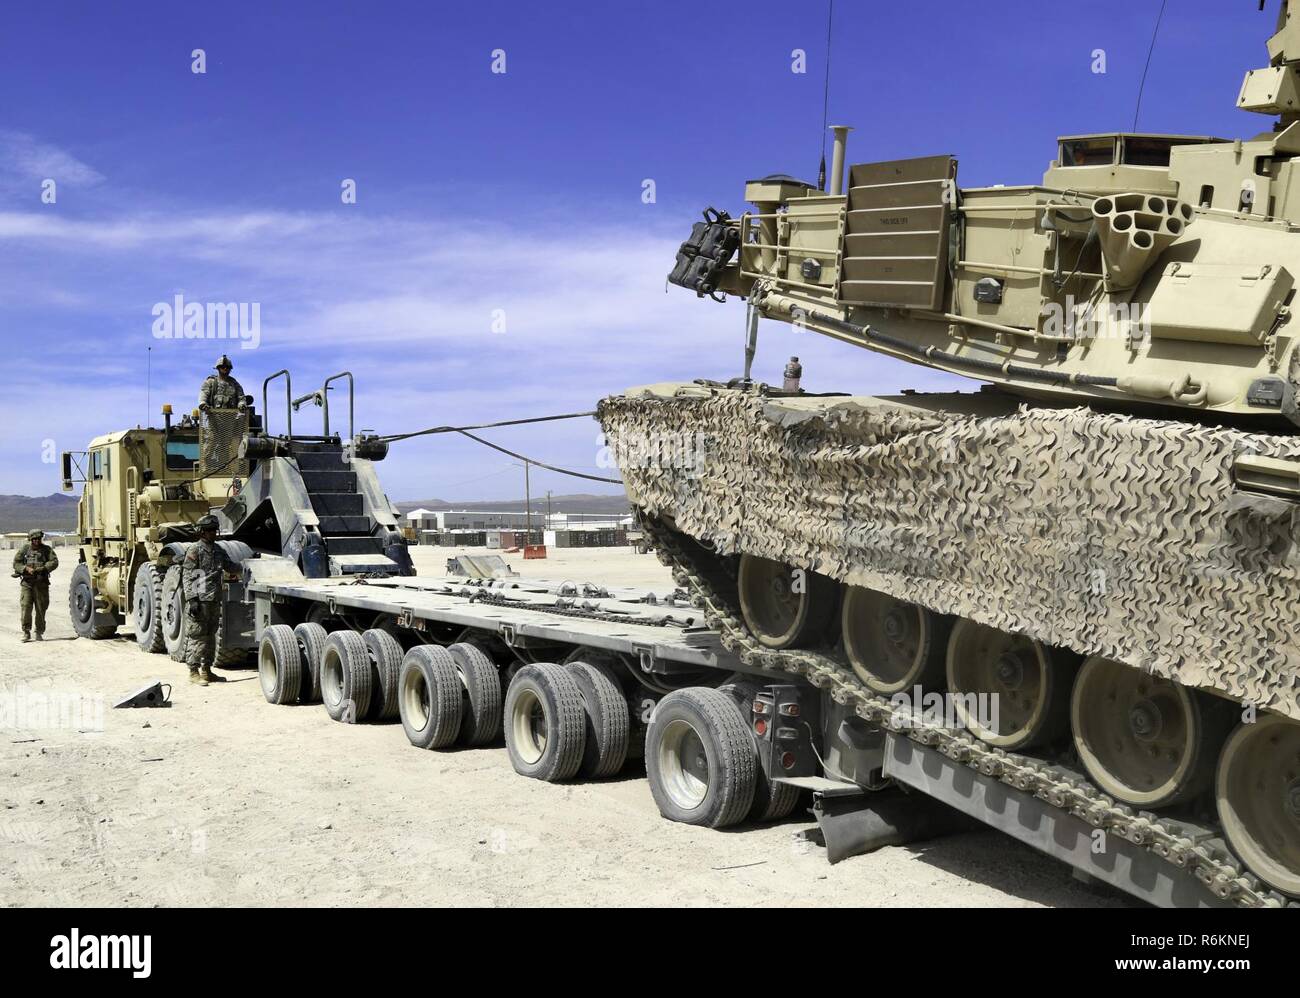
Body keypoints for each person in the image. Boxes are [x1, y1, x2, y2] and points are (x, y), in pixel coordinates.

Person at [182, 515, 233, 686]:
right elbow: (188, 577)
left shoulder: (218, 550)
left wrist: (248, 564)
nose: (212, 533)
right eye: (209, 530)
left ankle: (207, 670)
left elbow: (231, 566)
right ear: (202, 532)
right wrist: (192, 599)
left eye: (214, 530)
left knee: (211, 636)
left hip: (214, 599)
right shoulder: (194, 550)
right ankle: (193, 672)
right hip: (200, 600)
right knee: (197, 635)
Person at [197, 355, 247, 472]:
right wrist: (203, 404)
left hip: (229, 420)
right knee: (211, 441)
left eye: (227, 367)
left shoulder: (234, 384)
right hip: (213, 418)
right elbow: (203, 394)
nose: (225, 369)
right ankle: (205, 466)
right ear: (218, 368)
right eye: (222, 367)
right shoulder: (210, 382)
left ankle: (223, 467)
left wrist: (241, 404)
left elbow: (241, 397)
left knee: (225, 444)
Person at [13, 529, 58, 642]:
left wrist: (43, 568)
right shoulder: (24, 549)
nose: (36, 541)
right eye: (34, 539)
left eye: (38, 539)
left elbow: (54, 561)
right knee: (26, 608)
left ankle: (39, 632)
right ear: (30, 539)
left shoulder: (47, 550)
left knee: (41, 609)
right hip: (27, 583)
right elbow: (16, 563)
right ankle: (26, 632)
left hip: (41, 584)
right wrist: (25, 568)